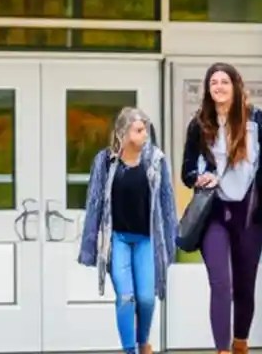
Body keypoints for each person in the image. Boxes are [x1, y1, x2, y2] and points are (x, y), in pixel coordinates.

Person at [181, 63, 262, 354]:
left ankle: (240, 344)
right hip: (214, 212)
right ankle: (222, 350)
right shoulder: (199, 124)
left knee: (245, 284)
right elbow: (187, 171)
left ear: (235, 86)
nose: (219, 87)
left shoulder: (257, 120)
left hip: (249, 212)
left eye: (224, 82)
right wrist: (198, 178)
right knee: (221, 284)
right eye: (213, 83)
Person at [78, 107, 178, 354]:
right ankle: (129, 350)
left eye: (146, 129)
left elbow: (167, 202)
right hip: (118, 240)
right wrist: (89, 247)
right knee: (125, 297)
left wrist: (172, 240)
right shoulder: (105, 162)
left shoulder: (156, 160)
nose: (145, 134)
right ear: (123, 133)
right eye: (139, 130)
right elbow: (94, 204)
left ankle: (143, 342)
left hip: (146, 240)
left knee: (145, 298)